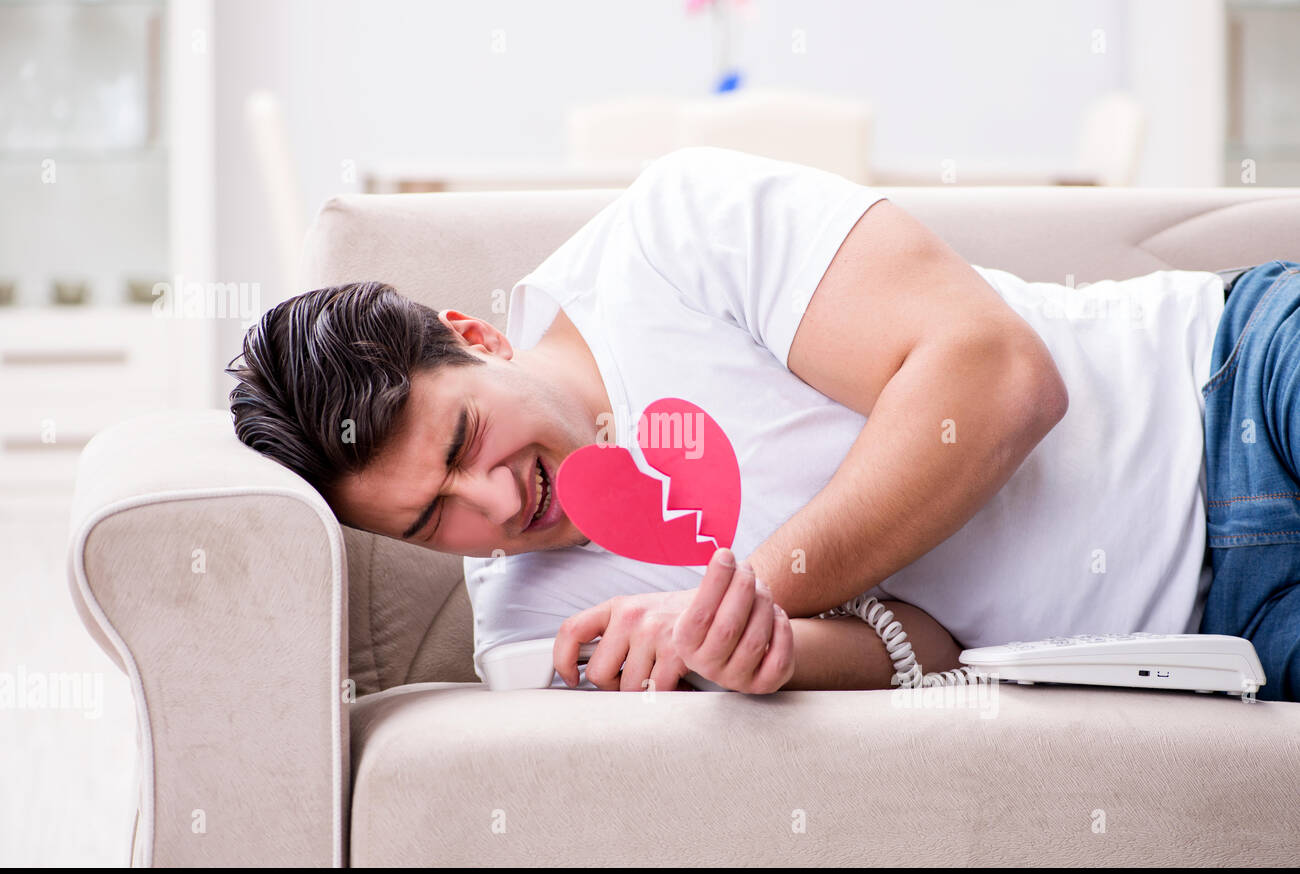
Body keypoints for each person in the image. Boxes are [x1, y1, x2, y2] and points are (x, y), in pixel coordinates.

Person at [226, 146, 1297, 701]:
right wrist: (761, 654)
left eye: (462, 443)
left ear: (477, 338)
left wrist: (759, 582)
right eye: (431, 522)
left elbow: (1000, 376)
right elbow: (933, 642)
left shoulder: (670, 235)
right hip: (1221, 636)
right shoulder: (540, 645)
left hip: (1230, 381)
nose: (497, 504)